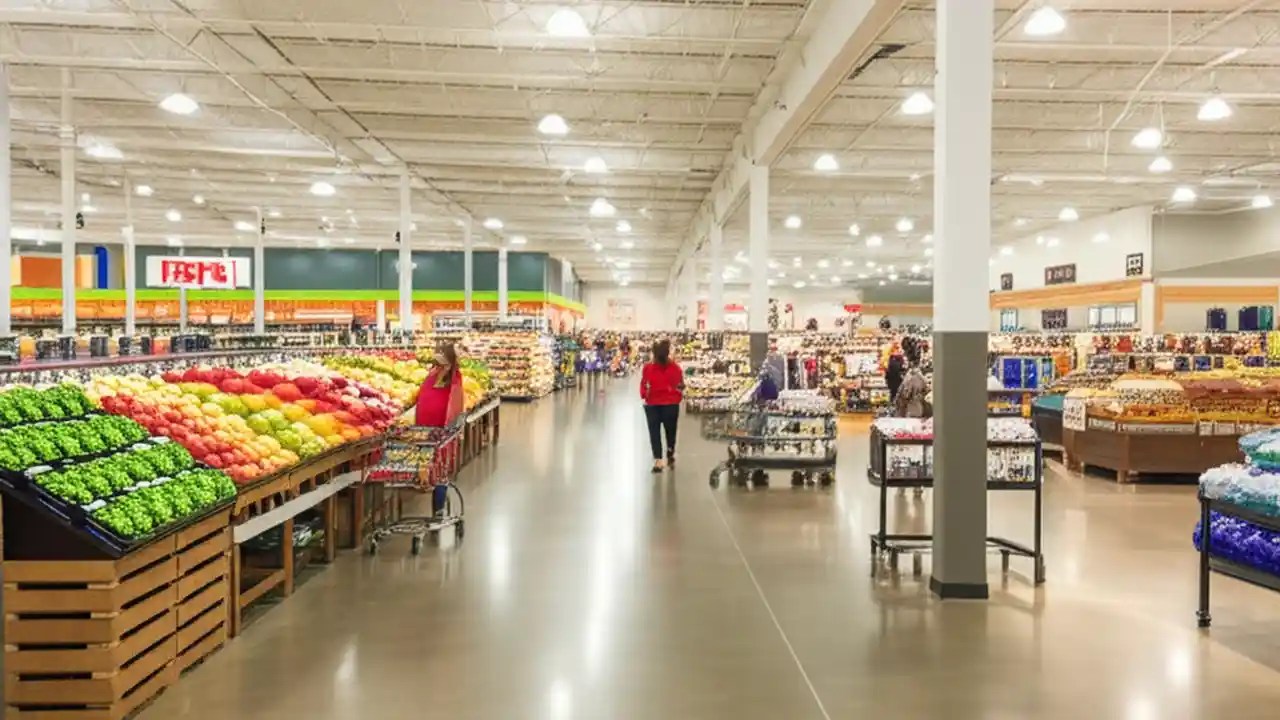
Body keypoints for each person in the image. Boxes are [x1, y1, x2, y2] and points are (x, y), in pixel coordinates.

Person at [415, 342, 465, 513]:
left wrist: (452, 429)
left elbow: (456, 405)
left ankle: (438, 508)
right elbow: (421, 397)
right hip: (423, 431)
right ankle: (426, 486)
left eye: (443, 360)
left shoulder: (455, 379)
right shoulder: (431, 376)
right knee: (426, 465)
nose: (439, 364)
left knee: (440, 468)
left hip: (442, 432)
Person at [640, 339, 684, 472]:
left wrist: (645, 395)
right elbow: (680, 385)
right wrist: (676, 397)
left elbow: (643, 384)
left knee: (654, 433)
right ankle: (670, 452)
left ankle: (658, 460)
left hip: (652, 404)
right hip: (670, 404)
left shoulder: (648, 368)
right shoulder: (675, 368)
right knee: (671, 431)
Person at [893, 342, 930, 419]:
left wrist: (899, 400)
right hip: (917, 409)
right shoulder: (920, 376)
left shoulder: (911, 377)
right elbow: (927, 390)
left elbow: (905, 396)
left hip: (910, 411)